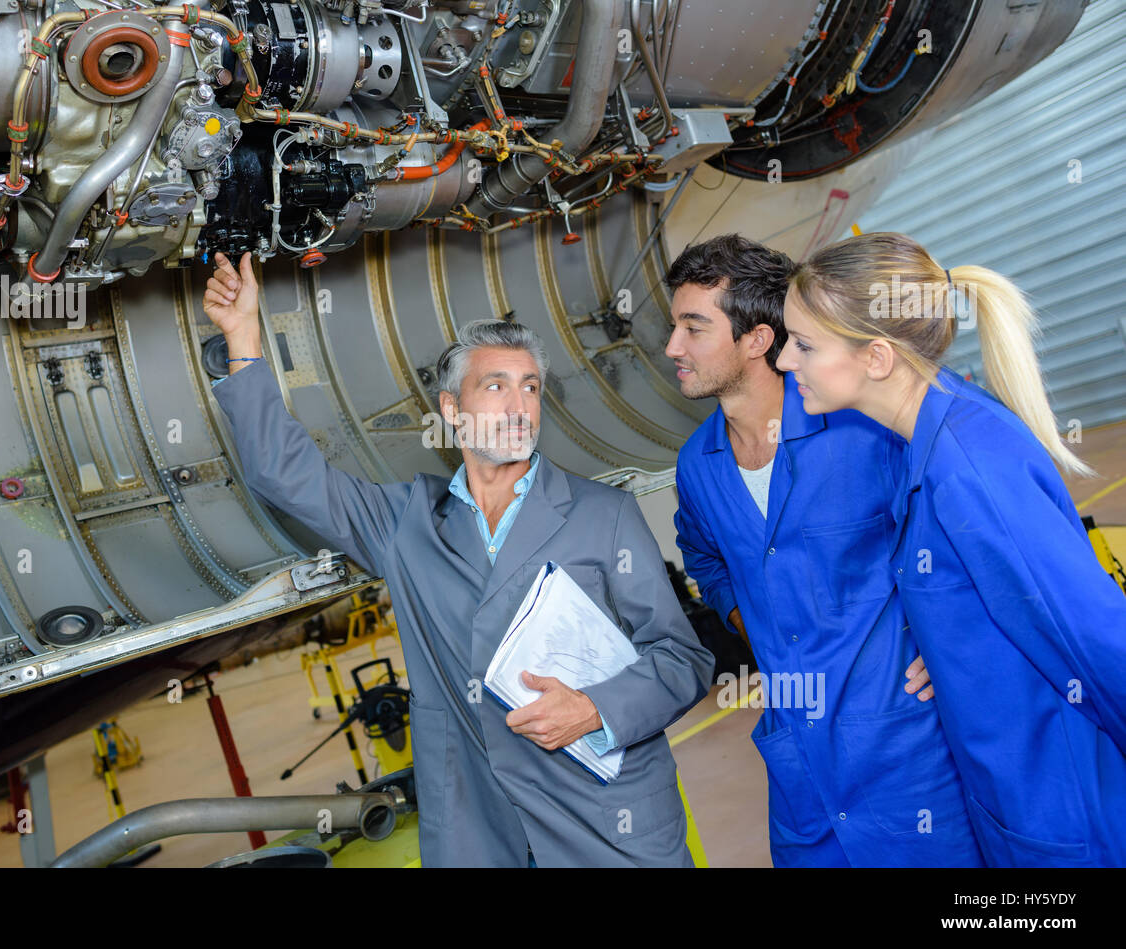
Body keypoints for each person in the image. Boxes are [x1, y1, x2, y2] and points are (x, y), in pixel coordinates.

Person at [203, 251, 714, 867]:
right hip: (479, 829)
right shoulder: (403, 522)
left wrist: (593, 709)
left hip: (606, 823)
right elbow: (285, 475)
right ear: (452, 412)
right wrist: (243, 338)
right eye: (494, 386)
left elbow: (683, 659)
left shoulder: (602, 514)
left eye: (530, 387)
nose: (517, 404)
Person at [777, 230, 1126, 866]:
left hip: (1062, 812)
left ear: (876, 357)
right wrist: (952, 645)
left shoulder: (966, 471)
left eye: (803, 345)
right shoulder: (931, 438)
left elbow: (1098, 639)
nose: (783, 362)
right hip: (1014, 795)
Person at [667, 234, 982, 866]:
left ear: (757, 340)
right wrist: (743, 618)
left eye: (694, 328)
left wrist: (950, 635)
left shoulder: (864, 425)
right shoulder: (696, 466)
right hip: (799, 768)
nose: (673, 347)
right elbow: (706, 560)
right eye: (674, 326)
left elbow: (963, 531)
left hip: (907, 751)